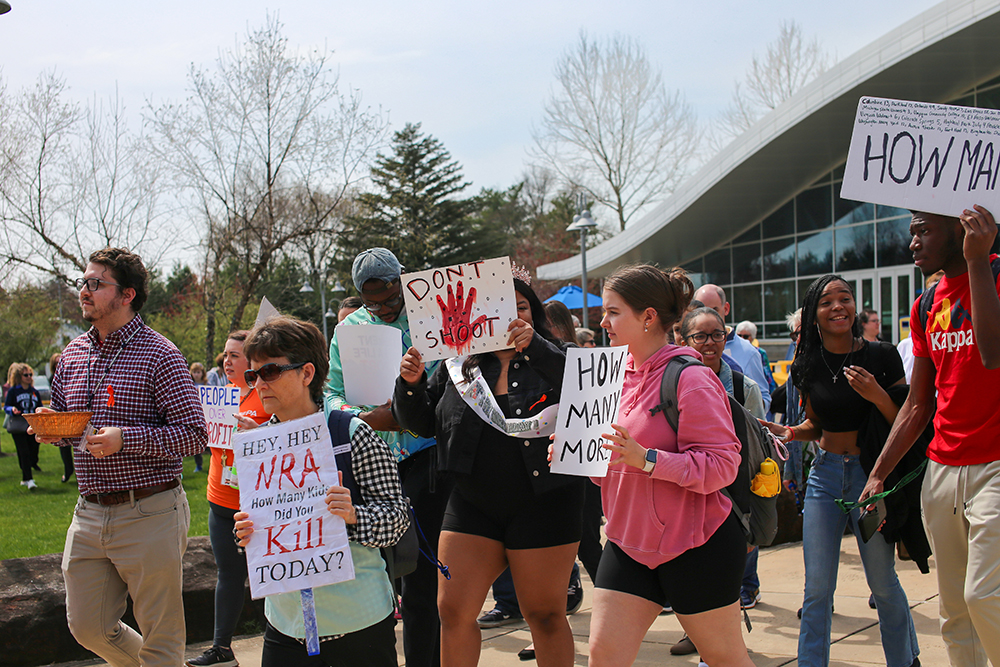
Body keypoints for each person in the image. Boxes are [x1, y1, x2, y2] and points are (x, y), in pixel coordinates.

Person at [394, 276, 583, 667]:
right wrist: (409, 385)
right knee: (452, 609)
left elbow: (588, 393)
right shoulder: (459, 367)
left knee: (544, 615)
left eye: (521, 307)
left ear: (535, 314)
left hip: (545, 504)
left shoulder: (559, 355)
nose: (511, 316)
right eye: (499, 307)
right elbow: (424, 423)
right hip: (472, 504)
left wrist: (536, 348)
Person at [31, 247, 207, 667]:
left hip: (150, 510)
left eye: (96, 283)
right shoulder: (73, 354)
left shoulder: (160, 354)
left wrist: (125, 439)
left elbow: (195, 435)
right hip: (89, 511)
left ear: (127, 294)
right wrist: (52, 427)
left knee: (161, 637)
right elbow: (70, 423)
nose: (84, 290)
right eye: (83, 282)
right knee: (87, 627)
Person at [582, 264, 751, 667]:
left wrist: (648, 459)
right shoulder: (610, 379)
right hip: (627, 543)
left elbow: (722, 465)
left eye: (613, 312)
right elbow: (607, 473)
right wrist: (581, 455)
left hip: (697, 545)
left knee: (725, 659)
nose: (603, 322)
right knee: (603, 657)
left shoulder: (692, 379)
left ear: (648, 317)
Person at [862, 205, 1000, 667]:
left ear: (960, 228)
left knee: (985, 596)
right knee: (955, 612)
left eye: (923, 231)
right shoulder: (926, 305)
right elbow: (919, 404)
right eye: (912, 232)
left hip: (995, 466)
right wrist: (879, 473)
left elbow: (993, 353)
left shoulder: (995, 275)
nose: (913, 242)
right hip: (942, 471)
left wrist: (977, 258)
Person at [761, 274, 919, 667]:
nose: (837, 307)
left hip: (871, 477)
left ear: (854, 306)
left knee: (882, 583)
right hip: (825, 476)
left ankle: (904, 660)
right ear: (813, 314)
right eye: (827, 301)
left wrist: (877, 394)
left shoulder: (882, 355)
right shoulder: (807, 364)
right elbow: (817, 425)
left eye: (844, 298)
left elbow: (905, 421)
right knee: (817, 588)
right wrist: (790, 432)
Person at [234, 315, 408, 666]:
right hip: (285, 625)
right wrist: (247, 533)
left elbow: (397, 518)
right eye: (253, 376)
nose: (259, 384)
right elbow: (266, 524)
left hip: (358, 622)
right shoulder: (258, 446)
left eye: (270, 371)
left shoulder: (352, 434)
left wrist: (354, 515)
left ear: (307, 373)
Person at [325, 248, 450, 667]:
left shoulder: (431, 319)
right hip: (374, 462)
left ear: (403, 281)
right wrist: (362, 418)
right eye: (372, 302)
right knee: (381, 578)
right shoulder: (349, 330)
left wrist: (407, 411)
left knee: (421, 582)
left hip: (425, 460)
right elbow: (331, 394)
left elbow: (451, 384)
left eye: (390, 299)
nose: (383, 308)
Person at [185, 331, 271, 667]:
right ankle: (222, 649)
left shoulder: (267, 395)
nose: (227, 361)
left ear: (253, 360)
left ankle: (285, 644)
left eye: (235, 355)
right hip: (220, 502)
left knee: (270, 577)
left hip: (258, 506)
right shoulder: (220, 397)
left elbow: (287, 441)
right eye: (225, 355)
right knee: (228, 575)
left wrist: (257, 433)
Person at [692, 284, 772, 412]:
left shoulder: (749, 352)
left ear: (726, 309)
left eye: (714, 310)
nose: (707, 316)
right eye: (701, 310)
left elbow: (763, 400)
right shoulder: (684, 352)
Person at [5, 363, 43, 489]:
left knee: (33, 450)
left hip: (32, 426)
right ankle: (29, 479)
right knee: (24, 452)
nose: (29, 377)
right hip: (18, 426)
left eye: (30, 374)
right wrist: (12, 409)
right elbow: (6, 406)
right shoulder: (14, 391)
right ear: (19, 376)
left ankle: (25, 477)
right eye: (25, 375)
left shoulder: (34, 391)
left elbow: (39, 406)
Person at [736, 320, 777, 397]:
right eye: (739, 335)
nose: (742, 338)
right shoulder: (733, 352)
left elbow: (767, 375)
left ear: (753, 337)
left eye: (746, 336)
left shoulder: (760, 353)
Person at [50, 352, 74, 482]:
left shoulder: (70, 373)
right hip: (62, 418)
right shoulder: (53, 378)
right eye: (56, 362)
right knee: (64, 446)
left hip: (73, 416)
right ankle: (68, 470)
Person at [190, 362, 209, 472]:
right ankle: (199, 465)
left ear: (202, 373)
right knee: (196, 441)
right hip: (196, 416)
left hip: (207, 415)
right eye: (194, 372)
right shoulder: (189, 384)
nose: (196, 374)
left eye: (198, 372)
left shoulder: (207, 384)